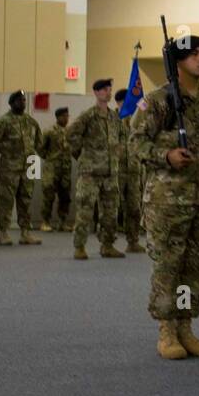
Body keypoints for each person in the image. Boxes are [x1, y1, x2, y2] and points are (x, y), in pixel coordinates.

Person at [131, 34, 199, 360]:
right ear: (179, 61)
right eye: (195, 54)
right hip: (167, 201)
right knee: (168, 268)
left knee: (194, 270)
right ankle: (167, 330)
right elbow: (135, 144)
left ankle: (186, 326)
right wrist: (166, 155)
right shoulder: (157, 100)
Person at [67, 79, 125, 260]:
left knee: (110, 212)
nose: (108, 92)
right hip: (90, 173)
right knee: (85, 210)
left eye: (110, 89)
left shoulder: (114, 117)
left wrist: (118, 153)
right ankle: (79, 246)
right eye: (105, 90)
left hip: (110, 172)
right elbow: (70, 134)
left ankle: (107, 245)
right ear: (96, 92)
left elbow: (122, 136)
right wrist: (81, 155)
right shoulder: (88, 116)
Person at [0, 91, 43, 245]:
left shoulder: (32, 122)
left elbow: (39, 144)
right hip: (9, 168)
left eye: (24, 100)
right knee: (6, 200)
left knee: (26, 200)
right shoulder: (3, 122)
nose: (23, 103)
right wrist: (6, 151)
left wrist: (35, 167)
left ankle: (25, 232)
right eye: (19, 100)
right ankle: (3, 232)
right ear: (11, 103)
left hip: (30, 166)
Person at [114, 88, 145, 254]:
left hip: (133, 171)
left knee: (134, 208)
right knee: (112, 207)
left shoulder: (136, 121)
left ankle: (132, 241)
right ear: (120, 102)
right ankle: (107, 243)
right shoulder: (111, 119)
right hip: (116, 170)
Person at [39, 107, 73, 232]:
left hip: (66, 169)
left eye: (67, 116)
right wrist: (50, 159)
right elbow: (40, 149)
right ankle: (45, 221)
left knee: (65, 196)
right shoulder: (49, 131)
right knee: (48, 195)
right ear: (57, 117)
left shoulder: (70, 132)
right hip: (52, 169)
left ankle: (62, 222)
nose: (66, 118)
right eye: (63, 116)